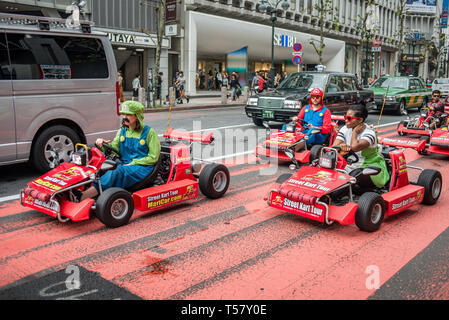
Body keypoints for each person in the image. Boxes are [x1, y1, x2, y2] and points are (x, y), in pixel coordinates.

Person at [80, 101, 161, 201]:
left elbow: (153, 157)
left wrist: (134, 162)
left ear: (137, 116)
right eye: (124, 114)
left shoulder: (149, 132)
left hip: (142, 167)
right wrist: (103, 144)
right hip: (125, 164)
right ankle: (86, 188)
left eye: (128, 114)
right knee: (101, 168)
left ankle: (84, 196)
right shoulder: (122, 131)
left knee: (117, 172)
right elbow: (115, 148)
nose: (124, 117)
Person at [332, 105, 389, 193]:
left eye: (349, 118)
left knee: (352, 177)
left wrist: (355, 132)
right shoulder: (345, 128)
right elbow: (334, 147)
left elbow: (355, 147)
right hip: (351, 164)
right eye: (345, 117)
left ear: (360, 120)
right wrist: (341, 146)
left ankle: (337, 196)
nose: (346, 120)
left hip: (370, 166)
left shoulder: (369, 133)